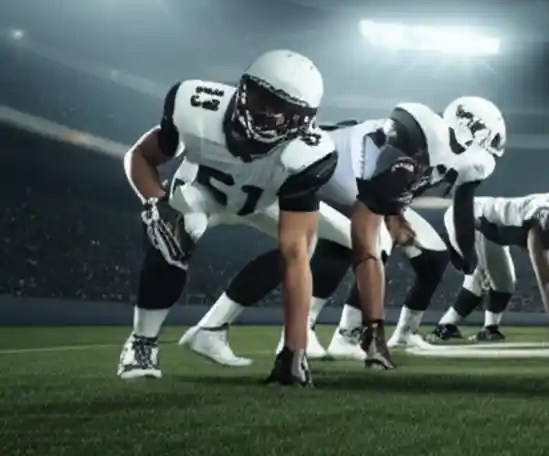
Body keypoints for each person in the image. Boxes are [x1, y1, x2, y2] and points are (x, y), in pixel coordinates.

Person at [179, 98, 505, 368]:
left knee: (333, 246)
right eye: (488, 145)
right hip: (302, 173)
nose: (486, 160)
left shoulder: (441, 155)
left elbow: (399, 189)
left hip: (339, 184)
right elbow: (372, 213)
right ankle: (215, 326)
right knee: (315, 248)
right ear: (472, 131)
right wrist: (374, 331)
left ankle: (226, 327)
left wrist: (462, 255)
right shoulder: (419, 132)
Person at [121, 50, 337, 386]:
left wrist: (295, 351)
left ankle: (213, 329)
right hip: (201, 194)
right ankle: (141, 343)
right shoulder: (195, 106)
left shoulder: (311, 155)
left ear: (303, 120)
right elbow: (140, 157)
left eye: (283, 110)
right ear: (242, 88)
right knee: (178, 233)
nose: (267, 114)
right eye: (262, 99)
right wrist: (155, 202)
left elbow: (295, 251)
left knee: (311, 250)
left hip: (261, 203)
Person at [429, 186, 549, 343]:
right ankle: (445, 327)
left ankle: (489, 329)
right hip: (467, 217)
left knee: (504, 283)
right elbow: (548, 283)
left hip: (485, 226)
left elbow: (521, 236)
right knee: (478, 280)